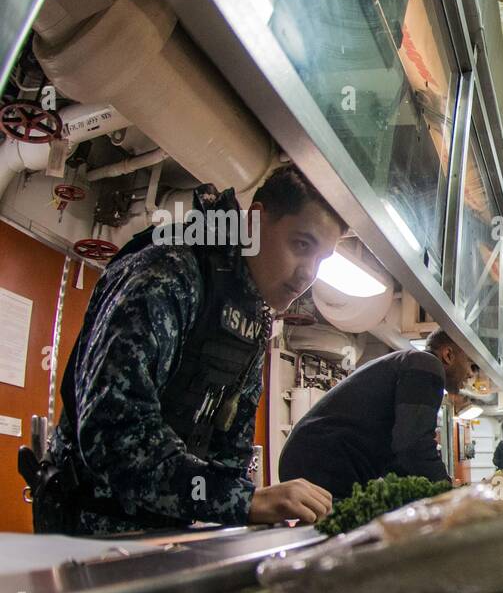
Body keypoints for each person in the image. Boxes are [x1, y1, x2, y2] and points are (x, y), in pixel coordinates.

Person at [29, 166, 344, 535]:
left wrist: (250, 506)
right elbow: (112, 435)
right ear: (256, 223)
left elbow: (231, 452)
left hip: (162, 534)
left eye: (322, 260)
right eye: (301, 245)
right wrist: (244, 502)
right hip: (88, 532)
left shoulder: (249, 311)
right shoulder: (170, 273)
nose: (309, 274)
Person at [279, 330, 478, 498]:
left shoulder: (410, 363)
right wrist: (449, 493)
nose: (471, 374)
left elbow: (401, 455)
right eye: (470, 363)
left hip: (310, 460)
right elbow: (413, 445)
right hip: (322, 463)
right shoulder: (426, 365)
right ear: (449, 355)